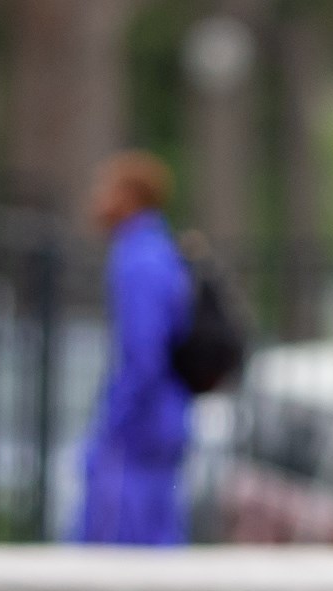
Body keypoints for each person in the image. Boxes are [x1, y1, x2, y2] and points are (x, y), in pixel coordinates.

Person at [75, 151, 194, 546]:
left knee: (117, 551)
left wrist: (115, 422)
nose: (95, 201)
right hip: (161, 422)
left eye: (104, 190)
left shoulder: (137, 259)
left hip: (139, 432)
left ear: (129, 197)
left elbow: (144, 354)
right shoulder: (160, 250)